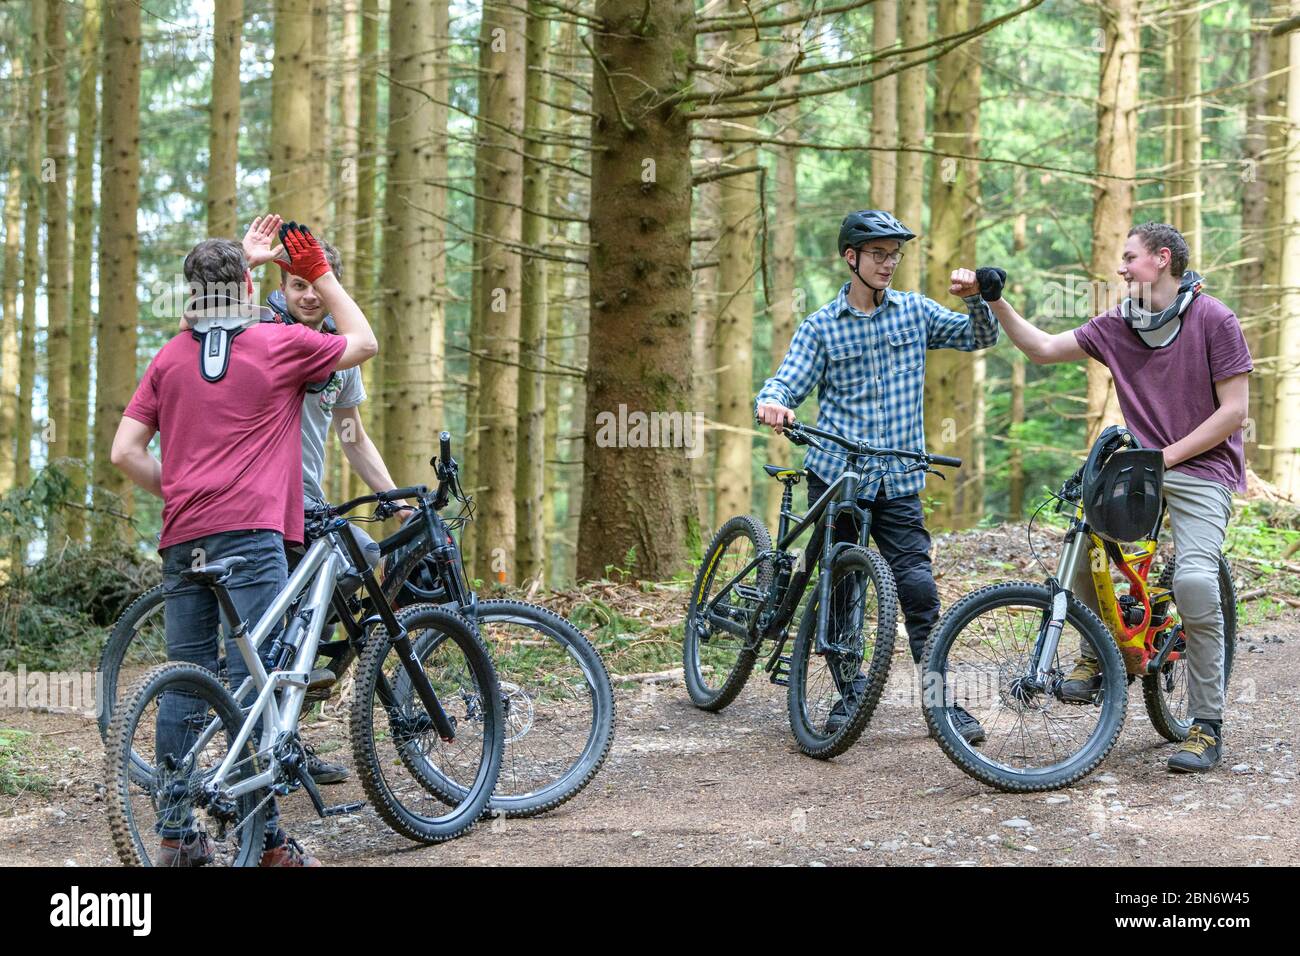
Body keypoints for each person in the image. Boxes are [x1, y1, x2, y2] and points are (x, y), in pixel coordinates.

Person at [111, 221, 379, 864]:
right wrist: (320, 273)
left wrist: (180, 491)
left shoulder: (170, 357)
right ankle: (268, 845)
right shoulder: (278, 343)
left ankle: (176, 838)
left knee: (187, 680)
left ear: (192, 294)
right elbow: (363, 341)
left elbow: (124, 452)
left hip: (183, 536)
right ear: (250, 287)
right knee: (257, 682)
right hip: (254, 535)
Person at [987, 221, 1251, 773]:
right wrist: (996, 300)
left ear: (1161, 259)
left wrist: (1167, 457)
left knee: (1195, 582)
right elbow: (1040, 348)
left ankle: (1206, 726)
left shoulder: (1213, 319)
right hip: (1141, 470)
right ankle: (1096, 654)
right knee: (1086, 548)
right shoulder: (1117, 325)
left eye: (1129, 258)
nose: (1121, 267)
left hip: (1202, 470)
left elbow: (1233, 412)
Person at [754, 209, 1002, 742]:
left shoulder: (913, 313)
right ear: (852, 258)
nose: (889, 263)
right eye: (878, 255)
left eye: (895, 255)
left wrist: (980, 294)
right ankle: (847, 695)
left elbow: (977, 337)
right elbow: (784, 383)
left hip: (900, 478)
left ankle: (942, 704)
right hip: (838, 477)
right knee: (841, 588)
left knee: (917, 588)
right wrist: (773, 404)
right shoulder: (821, 326)